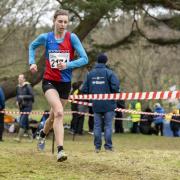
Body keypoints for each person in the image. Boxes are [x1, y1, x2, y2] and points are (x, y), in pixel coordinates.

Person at [29, 9, 88, 162]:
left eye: (65, 22)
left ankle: (42, 134)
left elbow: (84, 59)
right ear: (54, 21)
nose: (62, 24)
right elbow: (32, 46)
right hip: (49, 81)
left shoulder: (72, 37)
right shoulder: (46, 37)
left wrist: (68, 64)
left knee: (53, 116)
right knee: (60, 113)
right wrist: (32, 62)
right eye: (60, 21)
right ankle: (60, 151)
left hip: (65, 84)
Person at [82, 53, 120, 152]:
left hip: (96, 104)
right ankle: (108, 147)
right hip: (109, 104)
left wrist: (93, 93)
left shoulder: (90, 74)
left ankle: (97, 147)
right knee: (108, 125)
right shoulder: (109, 73)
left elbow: (84, 89)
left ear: (97, 61)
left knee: (97, 126)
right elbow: (116, 87)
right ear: (106, 61)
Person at [14, 74, 34, 142]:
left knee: (22, 121)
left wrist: (23, 96)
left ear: (24, 79)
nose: (19, 79)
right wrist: (17, 101)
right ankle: (31, 138)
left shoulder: (28, 86)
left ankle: (19, 138)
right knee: (26, 122)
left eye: (21, 78)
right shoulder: (18, 87)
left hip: (28, 106)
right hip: (21, 107)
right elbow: (17, 95)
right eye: (19, 78)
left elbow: (32, 96)